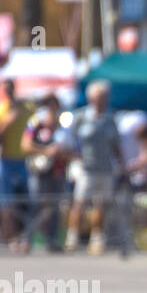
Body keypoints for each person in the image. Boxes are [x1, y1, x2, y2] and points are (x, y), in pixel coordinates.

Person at [65, 80, 122, 254]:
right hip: (85, 168)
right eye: (98, 98)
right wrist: (74, 157)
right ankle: (72, 237)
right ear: (91, 99)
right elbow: (68, 141)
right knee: (79, 203)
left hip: (104, 168)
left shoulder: (110, 118)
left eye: (104, 97)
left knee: (100, 204)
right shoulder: (81, 117)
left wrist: (121, 164)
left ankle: (97, 238)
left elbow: (115, 144)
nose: (101, 101)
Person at [0, 79, 34, 251]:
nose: (9, 93)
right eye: (5, 90)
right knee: (6, 202)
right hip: (4, 160)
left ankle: (25, 237)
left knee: (27, 201)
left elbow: (34, 126)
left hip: (23, 160)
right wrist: (8, 121)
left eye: (11, 89)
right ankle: (10, 237)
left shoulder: (26, 108)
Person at [22, 95, 69, 251]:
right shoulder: (36, 123)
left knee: (55, 206)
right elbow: (25, 145)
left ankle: (52, 240)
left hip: (57, 170)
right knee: (36, 204)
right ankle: (27, 239)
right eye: (48, 105)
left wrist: (62, 153)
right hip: (39, 169)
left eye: (54, 104)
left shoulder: (63, 124)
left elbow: (71, 147)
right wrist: (46, 151)